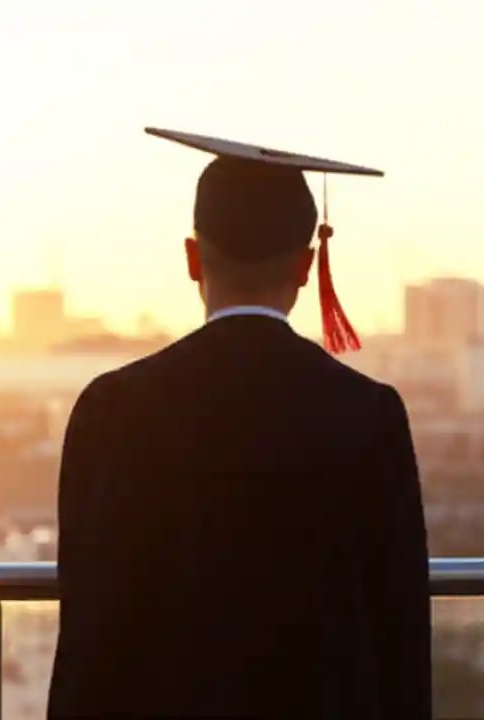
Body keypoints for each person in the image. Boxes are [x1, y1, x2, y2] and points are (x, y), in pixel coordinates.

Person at [48, 128, 430, 718]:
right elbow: (399, 640)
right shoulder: (368, 417)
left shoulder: (114, 410)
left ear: (193, 258)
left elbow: (89, 640)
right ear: (306, 267)